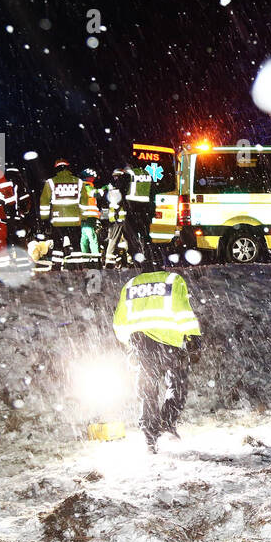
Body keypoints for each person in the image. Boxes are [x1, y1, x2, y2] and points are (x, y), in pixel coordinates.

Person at [112, 270, 202, 452]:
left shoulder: (131, 284)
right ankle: (167, 421)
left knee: (148, 390)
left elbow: (119, 322)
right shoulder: (172, 279)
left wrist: (129, 343)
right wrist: (193, 337)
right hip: (171, 343)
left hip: (143, 344)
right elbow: (183, 311)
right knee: (178, 383)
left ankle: (149, 437)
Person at [39, 159, 95, 269]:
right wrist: (83, 216)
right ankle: (77, 266)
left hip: (58, 220)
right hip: (74, 220)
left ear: (56, 169)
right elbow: (84, 201)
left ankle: (56, 266)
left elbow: (44, 201)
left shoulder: (51, 182)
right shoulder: (78, 182)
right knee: (75, 244)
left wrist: (45, 218)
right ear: (68, 168)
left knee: (58, 245)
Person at [110, 163, 157, 267]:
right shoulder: (148, 174)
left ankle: (137, 259)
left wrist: (118, 208)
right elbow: (153, 193)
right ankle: (150, 257)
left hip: (132, 209)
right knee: (146, 236)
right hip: (146, 210)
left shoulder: (129, 174)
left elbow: (119, 191)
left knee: (131, 236)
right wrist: (152, 210)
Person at [78, 167, 103, 268]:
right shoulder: (87, 185)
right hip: (89, 215)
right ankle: (96, 258)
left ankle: (85, 258)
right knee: (92, 237)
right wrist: (104, 188)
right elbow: (95, 194)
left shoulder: (81, 185)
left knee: (84, 236)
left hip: (84, 215)